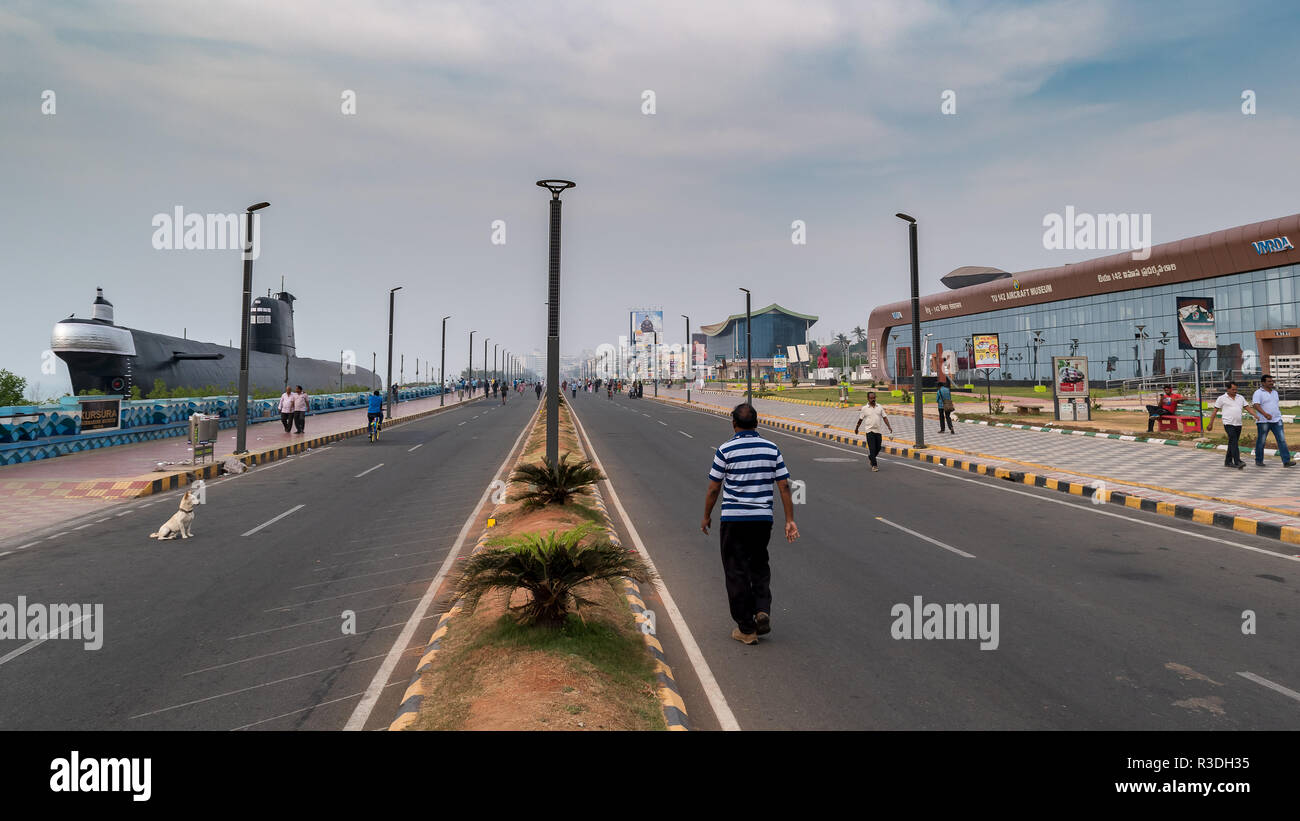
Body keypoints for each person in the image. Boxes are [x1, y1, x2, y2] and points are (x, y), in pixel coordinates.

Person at [701, 403, 799, 645]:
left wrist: (706, 516)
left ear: (733, 423)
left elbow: (714, 488)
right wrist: (790, 520)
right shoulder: (772, 449)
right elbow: (784, 486)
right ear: (757, 422)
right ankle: (762, 609)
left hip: (734, 520)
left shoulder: (725, 450)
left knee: (736, 571)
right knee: (759, 564)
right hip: (762, 520)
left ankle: (746, 629)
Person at [1250, 374, 1296, 467]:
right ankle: (1259, 460)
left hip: (1277, 420)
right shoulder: (1258, 393)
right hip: (1263, 421)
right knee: (1261, 441)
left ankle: (1286, 461)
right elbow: (1256, 405)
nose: (1272, 383)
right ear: (1263, 383)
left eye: (1272, 381)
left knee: (1282, 440)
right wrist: (1265, 414)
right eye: (1269, 381)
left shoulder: (1275, 392)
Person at [1206, 382, 1253, 469]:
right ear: (1227, 389)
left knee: (1232, 442)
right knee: (1234, 441)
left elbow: (1247, 408)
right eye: (1233, 389)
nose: (1235, 391)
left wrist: (1256, 415)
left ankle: (1228, 462)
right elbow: (1215, 411)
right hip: (1228, 423)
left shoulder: (1240, 397)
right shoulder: (1222, 398)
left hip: (1238, 423)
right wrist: (1210, 423)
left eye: (1236, 389)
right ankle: (1237, 461)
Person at [853, 391, 893, 471]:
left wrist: (889, 426)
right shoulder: (864, 408)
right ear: (868, 399)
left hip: (878, 431)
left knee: (878, 448)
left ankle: (871, 457)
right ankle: (874, 465)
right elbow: (860, 419)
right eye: (871, 398)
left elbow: (884, 417)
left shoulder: (879, 407)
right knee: (872, 448)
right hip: (869, 431)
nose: (873, 399)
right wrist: (857, 428)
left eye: (874, 398)